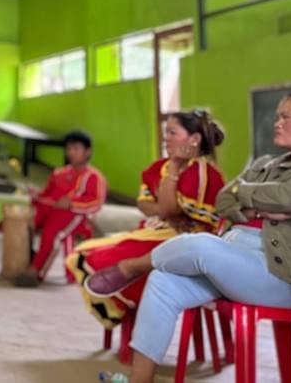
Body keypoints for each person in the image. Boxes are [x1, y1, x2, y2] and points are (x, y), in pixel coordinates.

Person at [107, 93, 291, 383]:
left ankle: (134, 266)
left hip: (281, 276)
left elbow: (290, 197)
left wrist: (247, 197)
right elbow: (224, 200)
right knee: (162, 281)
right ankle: (140, 380)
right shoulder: (264, 164)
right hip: (239, 260)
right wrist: (263, 208)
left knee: (201, 244)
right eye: (277, 116)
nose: (277, 123)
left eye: (286, 116)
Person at [66, 109, 226, 330]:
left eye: (172, 132)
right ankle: (119, 311)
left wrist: (173, 173)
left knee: (99, 258)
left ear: (195, 139)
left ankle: (120, 311)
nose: (165, 137)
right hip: (159, 231)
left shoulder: (205, 173)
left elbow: (168, 210)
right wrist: (165, 210)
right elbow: (145, 204)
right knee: (82, 254)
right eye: (165, 132)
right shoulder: (156, 168)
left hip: (186, 245)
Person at [12, 130, 107, 287]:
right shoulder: (59, 173)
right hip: (55, 213)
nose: (71, 153)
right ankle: (28, 261)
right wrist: (36, 195)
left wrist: (72, 204)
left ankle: (35, 271)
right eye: (69, 149)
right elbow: (47, 194)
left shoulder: (94, 176)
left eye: (76, 149)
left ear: (87, 152)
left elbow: (96, 203)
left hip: (78, 216)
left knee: (53, 232)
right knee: (25, 223)